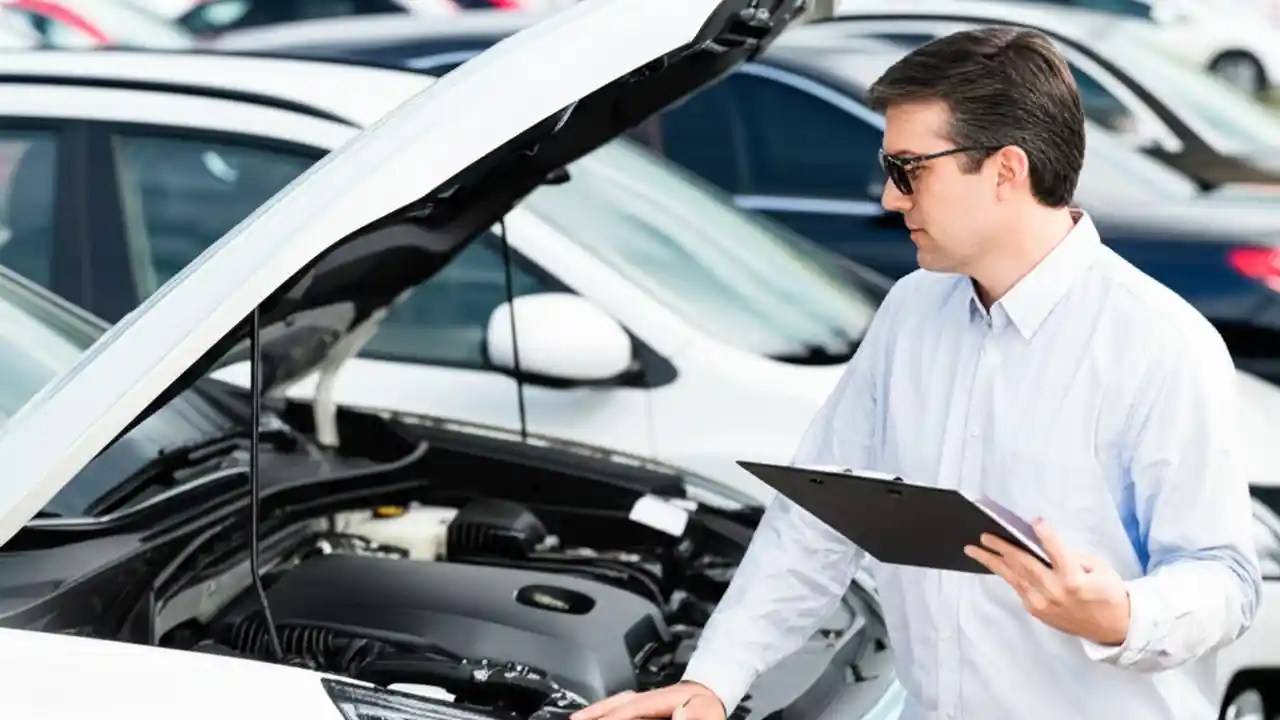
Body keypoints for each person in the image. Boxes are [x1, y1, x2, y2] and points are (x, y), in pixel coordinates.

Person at [571, 26, 1263, 720]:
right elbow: (818, 520)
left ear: (1005, 170)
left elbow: (1226, 581)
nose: (889, 199)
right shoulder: (911, 312)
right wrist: (713, 680)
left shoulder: (1158, 342)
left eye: (909, 170)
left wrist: (1121, 614)